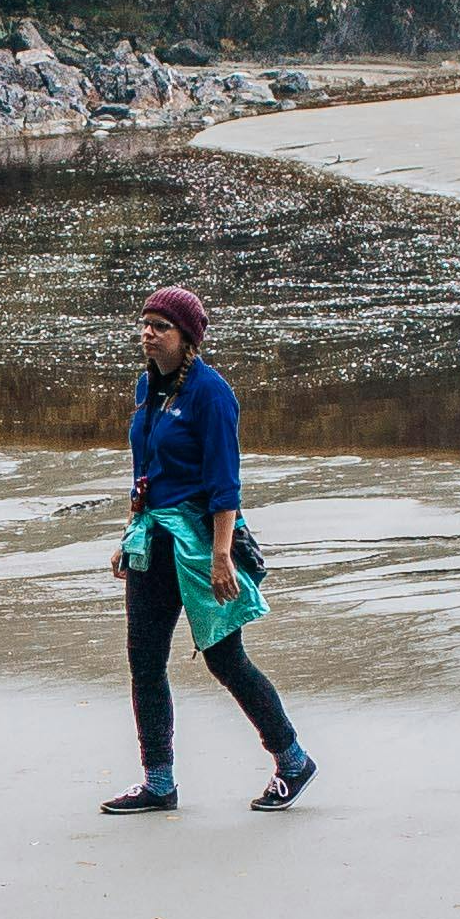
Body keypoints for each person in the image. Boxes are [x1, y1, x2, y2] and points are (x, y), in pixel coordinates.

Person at [104, 284, 316, 815]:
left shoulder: (211, 393)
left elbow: (225, 485)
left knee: (225, 658)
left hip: (201, 545)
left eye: (161, 327)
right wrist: (128, 533)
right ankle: (159, 782)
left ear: (187, 337)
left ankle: (292, 761)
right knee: (144, 660)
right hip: (154, 539)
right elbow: (145, 471)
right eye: (145, 324)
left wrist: (222, 557)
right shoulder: (147, 387)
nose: (148, 334)